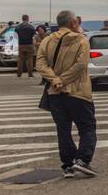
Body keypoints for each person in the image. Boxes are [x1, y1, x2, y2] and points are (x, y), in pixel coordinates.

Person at [36, 9, 97, 179]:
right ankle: (83, 160)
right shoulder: (82, 41)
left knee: (63, 130)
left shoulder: (47, 41)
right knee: (87, 127)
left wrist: (55, 80)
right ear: (73, 23)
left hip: (54, 93)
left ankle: (68, 165)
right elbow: (80, 66)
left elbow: (40, 64)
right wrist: (63, 80)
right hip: (78, 92)